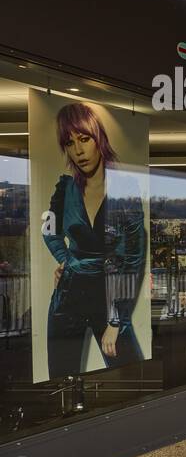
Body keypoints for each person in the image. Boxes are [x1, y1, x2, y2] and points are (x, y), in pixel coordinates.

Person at [43, 102, 145, 378]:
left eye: (84, 139)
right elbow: (48, 230)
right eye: (69, 142)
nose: (78, 150)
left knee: (133, 380)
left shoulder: (124, 189)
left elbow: (133, 259)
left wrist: (116, 320)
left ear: (98, 138)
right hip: (67, 302)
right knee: (61, 386)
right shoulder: (65, 189)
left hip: (109, 300)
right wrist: (68, 262)